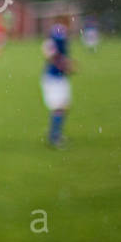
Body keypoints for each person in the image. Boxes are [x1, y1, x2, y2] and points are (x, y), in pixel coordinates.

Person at [41, 19, 75, 148]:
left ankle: (54, 132)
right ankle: (54, 137)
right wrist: (65, 65)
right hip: (54, 78)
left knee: (64, 106)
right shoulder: (59, 34)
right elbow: (50, 54)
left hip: (58, 78)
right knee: (59, 107)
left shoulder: (57, 33)